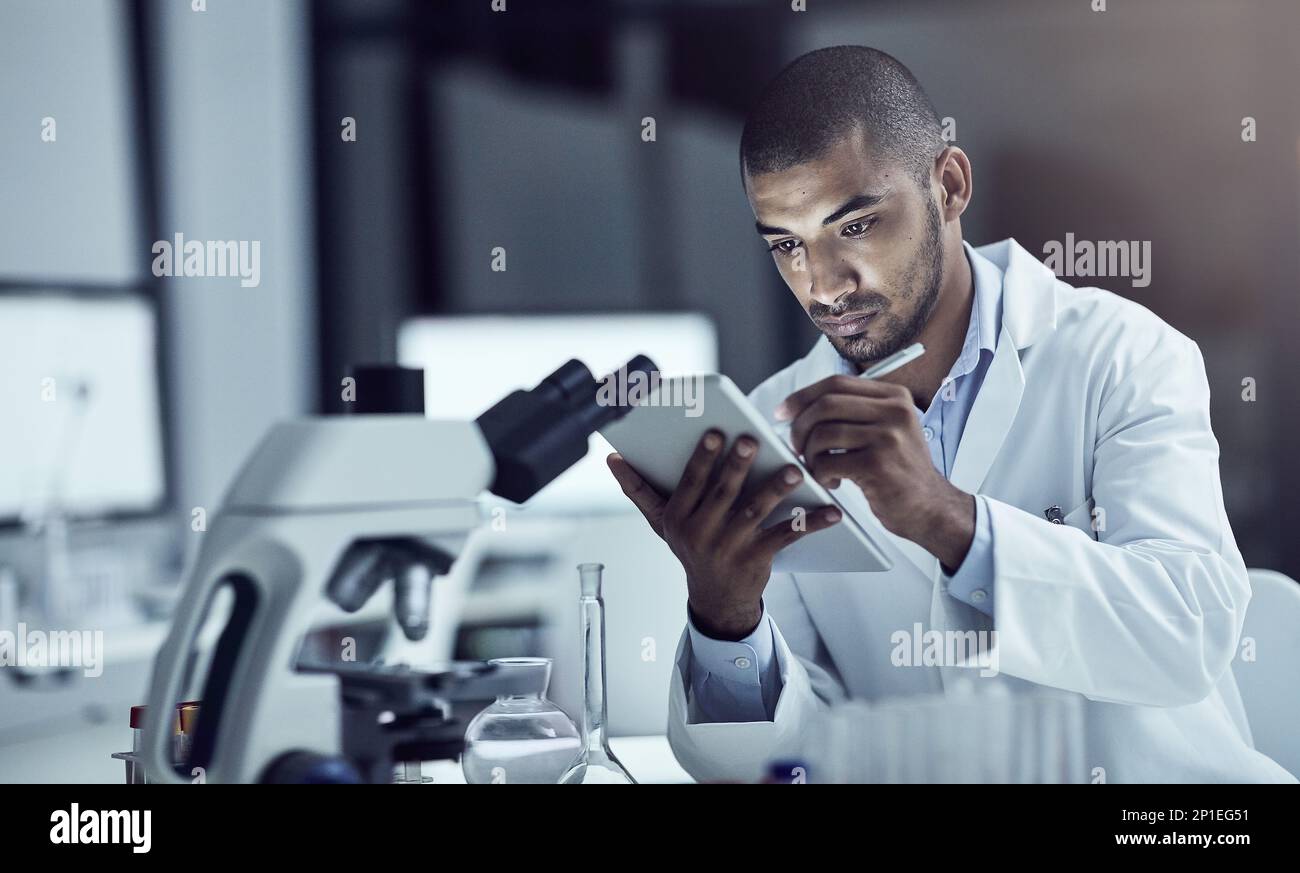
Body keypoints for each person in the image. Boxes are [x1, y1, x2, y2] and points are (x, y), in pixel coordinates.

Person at [607, 45, 1294, 783]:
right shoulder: (777, 435)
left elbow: (1189, 635)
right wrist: (726, 620)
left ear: (950, 185)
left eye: (856, 226)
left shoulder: (1124, 356)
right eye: (787, 244)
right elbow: (796, 760)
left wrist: (950, 519)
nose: (824, 285)